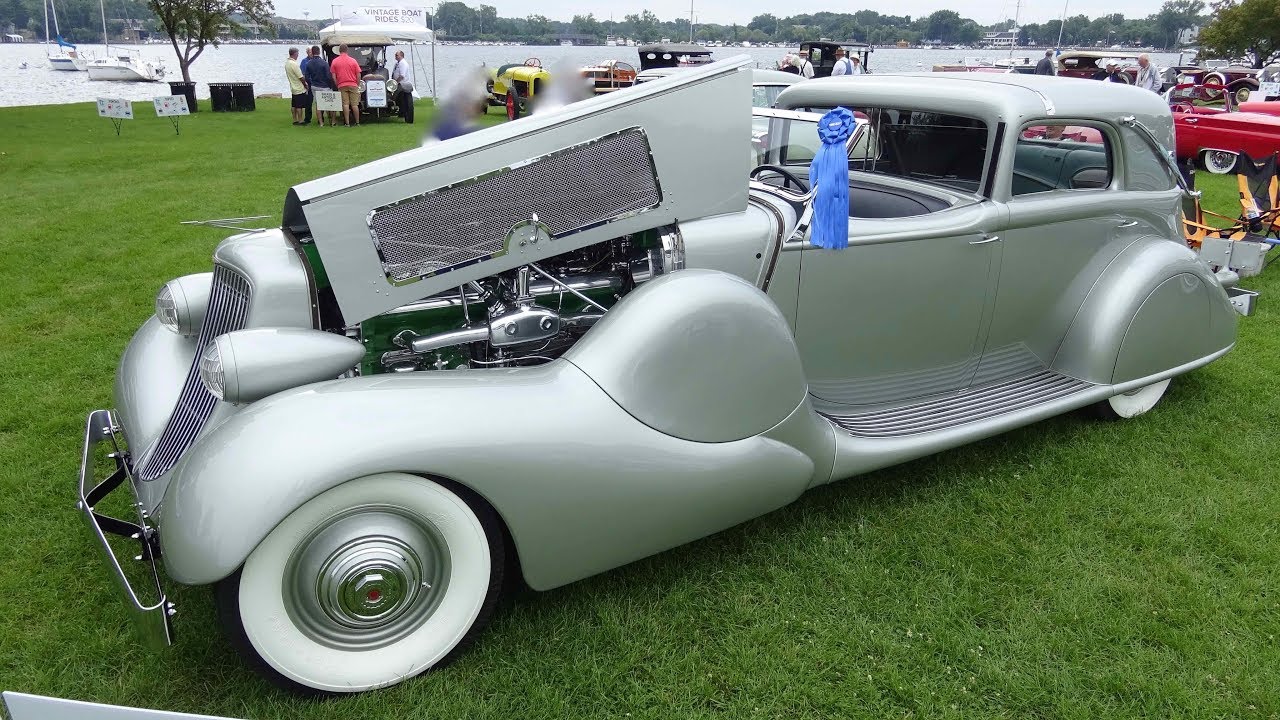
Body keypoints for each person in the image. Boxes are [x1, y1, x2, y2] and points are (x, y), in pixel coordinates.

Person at [303, 44, 336, 127]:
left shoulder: (309, 63)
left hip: (315, 86)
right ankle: (332, 122)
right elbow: (328, 76)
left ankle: (321, 123)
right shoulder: (324, 63)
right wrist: (330, 85)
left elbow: (306, 77)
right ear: (319, 52)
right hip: (325, 86)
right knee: (330, 104)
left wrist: (311, 83)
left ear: (312, 52)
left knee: (318, 105)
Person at [330, 43, 362, 127]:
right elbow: (358, 74)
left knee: (345, 104)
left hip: (342, 85)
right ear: (347, 50)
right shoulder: (353, 60)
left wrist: (337, 84)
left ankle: (347, 122)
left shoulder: (335, 61)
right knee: (354, 104)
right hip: (353, 84)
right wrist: (357, 84)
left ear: (339, 50)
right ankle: (357, 122)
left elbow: (333, 76)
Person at [284, 47, 307, 125]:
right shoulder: (294, 64)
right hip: (299, 87)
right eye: (297, 54)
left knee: (294, 105)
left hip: (293, 87)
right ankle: (300, 120)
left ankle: (294, 119)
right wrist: (305, 84)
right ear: (295, 54)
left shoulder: (287, 63)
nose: (298, 55)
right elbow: (300, 77)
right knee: (299, 106)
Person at [391, 49, 415, 124]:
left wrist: (395, 82)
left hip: (402, 84)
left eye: (397, 55)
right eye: (395, 55)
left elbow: (402, 75)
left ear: (401, 55)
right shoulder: (397, 63)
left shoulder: (403, 63)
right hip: (397, 83)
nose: (395, 56)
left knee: (401, 98)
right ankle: (401, 111)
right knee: (399, 99)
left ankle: (404, 112)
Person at [298, 47, 314, 125]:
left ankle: (321, 118)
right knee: (308, 102)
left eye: (312, 52)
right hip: (308, 83)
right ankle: (308, 118)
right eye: (310, 52)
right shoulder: (304, 61)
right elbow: (302, 73)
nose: (311, 53)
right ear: (307, 53)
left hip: (316, 83)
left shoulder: (318, 60)